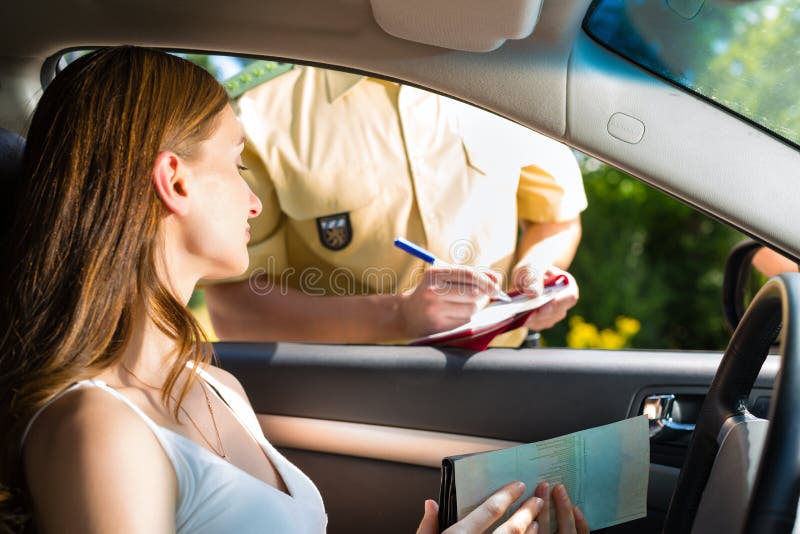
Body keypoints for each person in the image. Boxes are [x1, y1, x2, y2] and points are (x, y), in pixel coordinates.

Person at [0, 47, 588, 533]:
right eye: (237, 166)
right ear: (174, 181)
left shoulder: (217, 388)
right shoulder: (97, 432)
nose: (254, 202)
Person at [204, 65, 587, 346]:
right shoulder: (259, 112)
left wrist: (534, 273)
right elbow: (233, 309)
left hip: (505, 375)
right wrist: (397, 316)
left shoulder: (509, 87)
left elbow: (556, 219)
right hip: (349, 401)